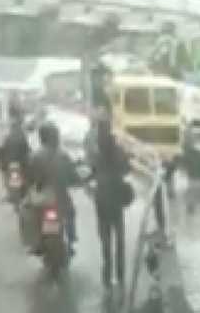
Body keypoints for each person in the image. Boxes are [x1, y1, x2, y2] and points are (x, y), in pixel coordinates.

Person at [89, 113, 133, 287]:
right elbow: (127, 169)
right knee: (119, 235)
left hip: (101, 198)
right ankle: (120, 274)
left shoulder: (96, 151)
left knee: (105, 236)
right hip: (116, 196)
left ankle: (107, 273)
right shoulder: (118, 150)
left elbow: (92, 171)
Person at [27, 121, 81, 251]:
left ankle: (37, 242)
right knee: (71, 213)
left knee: (30, 213)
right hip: (60, 198)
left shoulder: (35, 156)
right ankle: (71, 237)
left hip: (42, 198)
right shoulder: (63, 156)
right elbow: (74, 177)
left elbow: (29, 178)